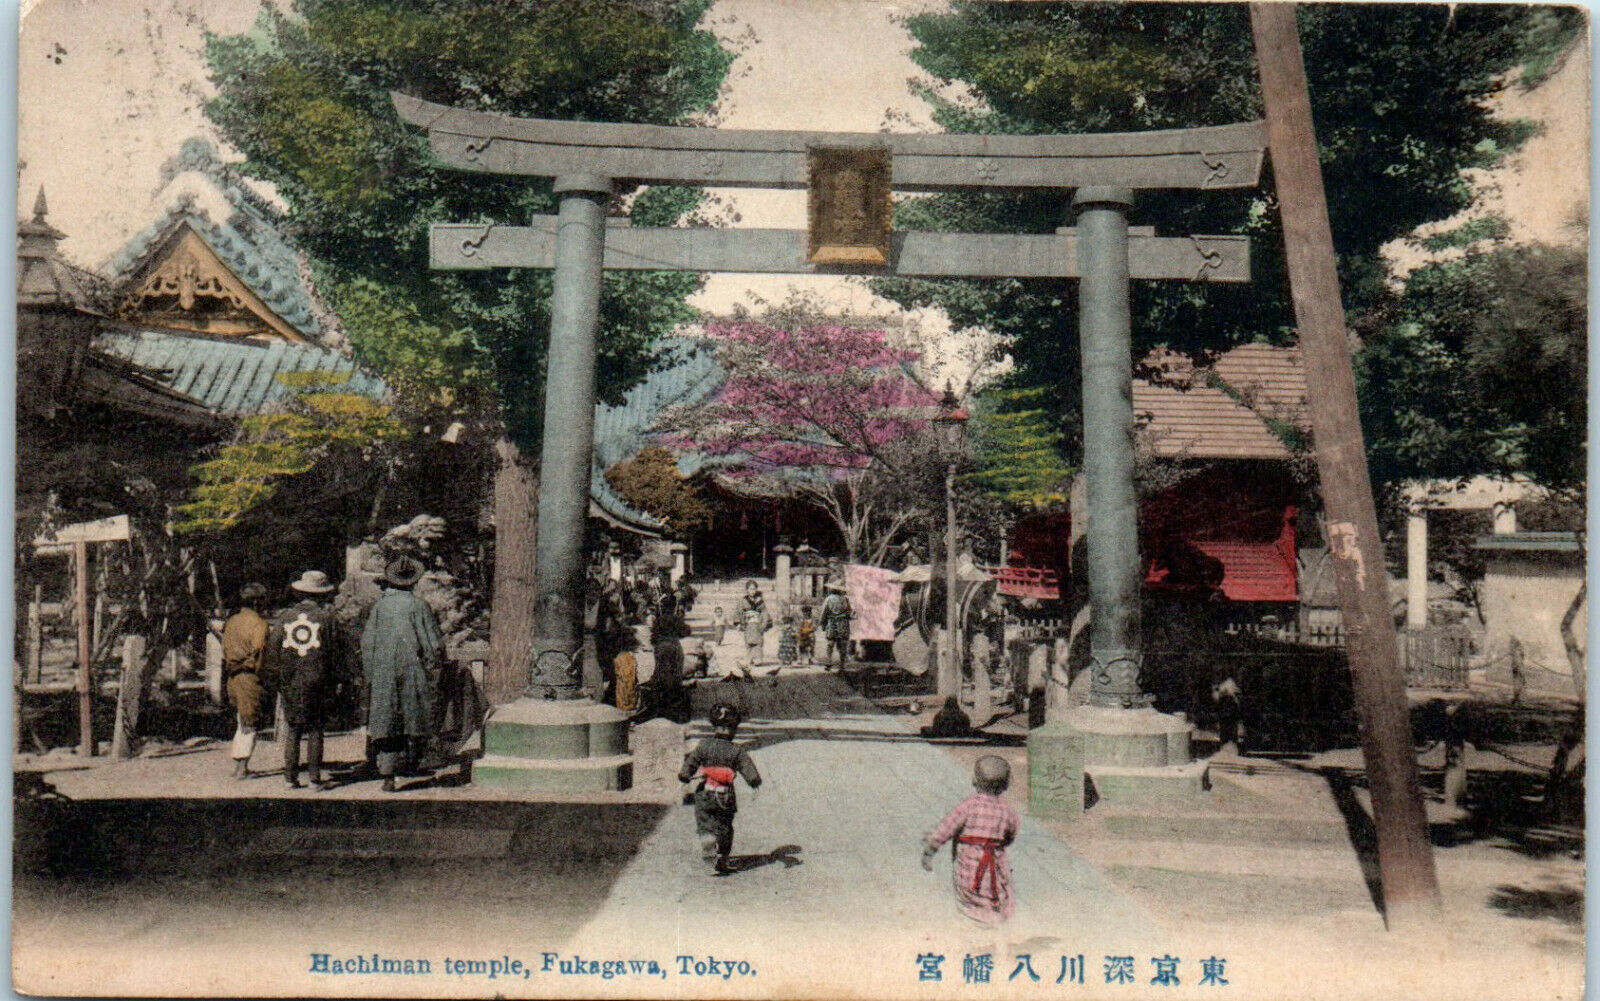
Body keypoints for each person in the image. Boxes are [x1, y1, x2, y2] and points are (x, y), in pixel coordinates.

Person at [361, 555, 442, 792]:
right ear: (414, 581)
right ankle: (413, 763)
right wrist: (432, 667)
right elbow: (433, 644)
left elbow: (368, 643)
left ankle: (387, 773)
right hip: (412, 669)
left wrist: (372, 673)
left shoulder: (380, 607)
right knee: (413, 717)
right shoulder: (419, 606)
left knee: (387, 719)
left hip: (383, 671)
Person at [266, 570, 349, 790]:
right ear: (322, 594)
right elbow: (336, 653)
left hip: (291, 681)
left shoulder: (284, 617)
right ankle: (314, 778)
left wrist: (276, 679)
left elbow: (273, 652)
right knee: (315, 728)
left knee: (293, 728)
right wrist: (339, 679)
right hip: (319, 681)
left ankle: (289, 778)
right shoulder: (328, 618)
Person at [921, 755, 1021, 924]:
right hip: (995, 868)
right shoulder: (1007, 810)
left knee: (968, 903)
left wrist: (930, 850)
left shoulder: (969, 806)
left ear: (974, 780)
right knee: (997, 897)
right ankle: (996, 929)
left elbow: (946, 828)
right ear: (1006, 784)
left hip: (968, 869)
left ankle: (972, 931)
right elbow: (1011, 834)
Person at [678, 702, 763, 875]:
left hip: (705, 792)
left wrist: (684, 776)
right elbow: (748, 768)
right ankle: (723, 857)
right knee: (725, 825)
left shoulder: (704, 746)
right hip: (725, 796)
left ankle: (707, 839)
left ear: (714, 726)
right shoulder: (736, 751)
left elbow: (691, 762)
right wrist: (754, 782)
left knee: (704, 819)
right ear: (733, 729)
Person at [222, 583, 270, 780]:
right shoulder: (259, 624)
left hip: (232, 677)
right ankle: (242, 768)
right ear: (258, 602)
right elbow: (258, 653)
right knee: (250, 722)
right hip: (248, 676)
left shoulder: (232, 621)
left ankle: (238, 766)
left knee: (241, 721)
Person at [635, 612, 692, 723]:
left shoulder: (664, 646)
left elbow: (663, 672)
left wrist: (652, 684)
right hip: (673, 684)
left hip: (666, 689)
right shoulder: (674, 642)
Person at [819, 582, 853, 669]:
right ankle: (842, 663)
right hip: (843, 622)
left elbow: (824, 612)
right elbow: (849, 611)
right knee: (842, 643)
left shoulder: (829, 599)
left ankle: (829, 660)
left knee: (830, 642)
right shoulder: (845, 599)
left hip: (832, 622)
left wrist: (822, 622)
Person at [739, 582, 771, 669]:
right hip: (748, 624)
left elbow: (764, 613)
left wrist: (764, 623)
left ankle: (758, 659)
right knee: (748, 642)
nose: (753, 591)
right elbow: (740, 612)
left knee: (758, 641)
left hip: (757, 624)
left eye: (754, 589)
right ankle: (750, 658)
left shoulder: (760, 601)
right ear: (747, 590)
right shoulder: (743, 601)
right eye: (750, 589)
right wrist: (739, 622)